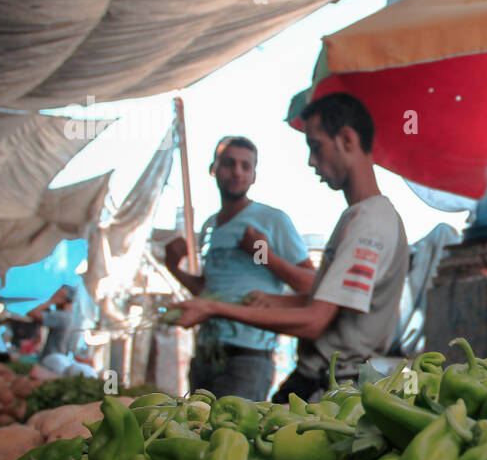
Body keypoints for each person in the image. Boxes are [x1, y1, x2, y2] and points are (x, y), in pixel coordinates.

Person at [173, 93, 408, 403]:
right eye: (228, 164)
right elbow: (334, 307)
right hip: (312, 376)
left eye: (315, 146)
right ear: (213, 169)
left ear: (347, 140)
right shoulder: (357, 217)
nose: (311, 161)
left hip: (334, 384)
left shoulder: (369, 223)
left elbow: (316, 320)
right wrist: (276, 302)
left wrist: (214, 307)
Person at [164, 135, 315, 400]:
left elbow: (312, 284)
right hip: (206, 353)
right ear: (213, 169)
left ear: (254, 175)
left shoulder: (272, 220)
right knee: (197, 433)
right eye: (229, 163)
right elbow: (208, 290)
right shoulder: (210, 225)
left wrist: (263, 255)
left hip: (248, 357)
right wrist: (173, 268)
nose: (237, 172)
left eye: (246, 166)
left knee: (233, 436)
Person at [26, 285, 80, 359]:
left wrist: (51, 301)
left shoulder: (62, 316)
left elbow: (32, 313)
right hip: (61, 360)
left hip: (50, 360)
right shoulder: (74, 318)